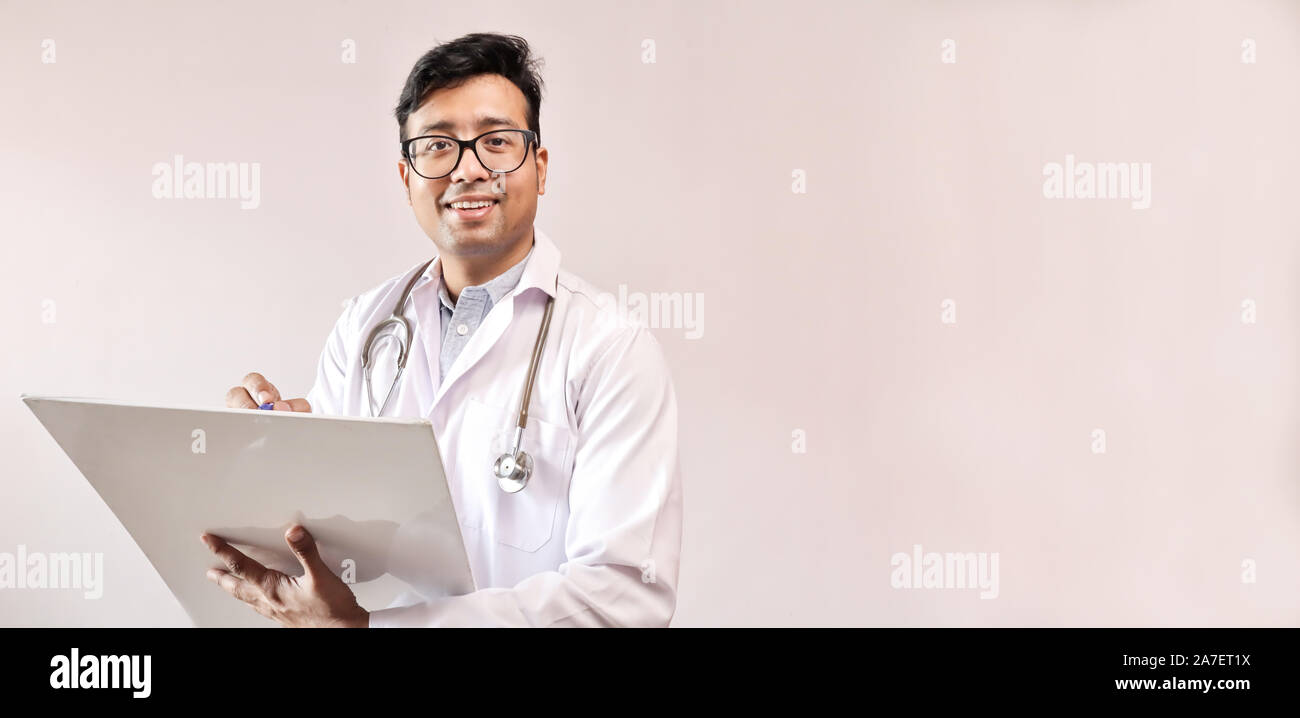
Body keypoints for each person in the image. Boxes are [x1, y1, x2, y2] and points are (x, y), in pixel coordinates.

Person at [202, 33, 683, 627]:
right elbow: (323, 536)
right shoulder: (364, 325)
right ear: (406, 177)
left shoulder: (611, 348)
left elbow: (624, 601)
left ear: (539, 165)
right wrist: (263, 452)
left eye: (497, 141)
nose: (468, 168)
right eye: (437, 146)